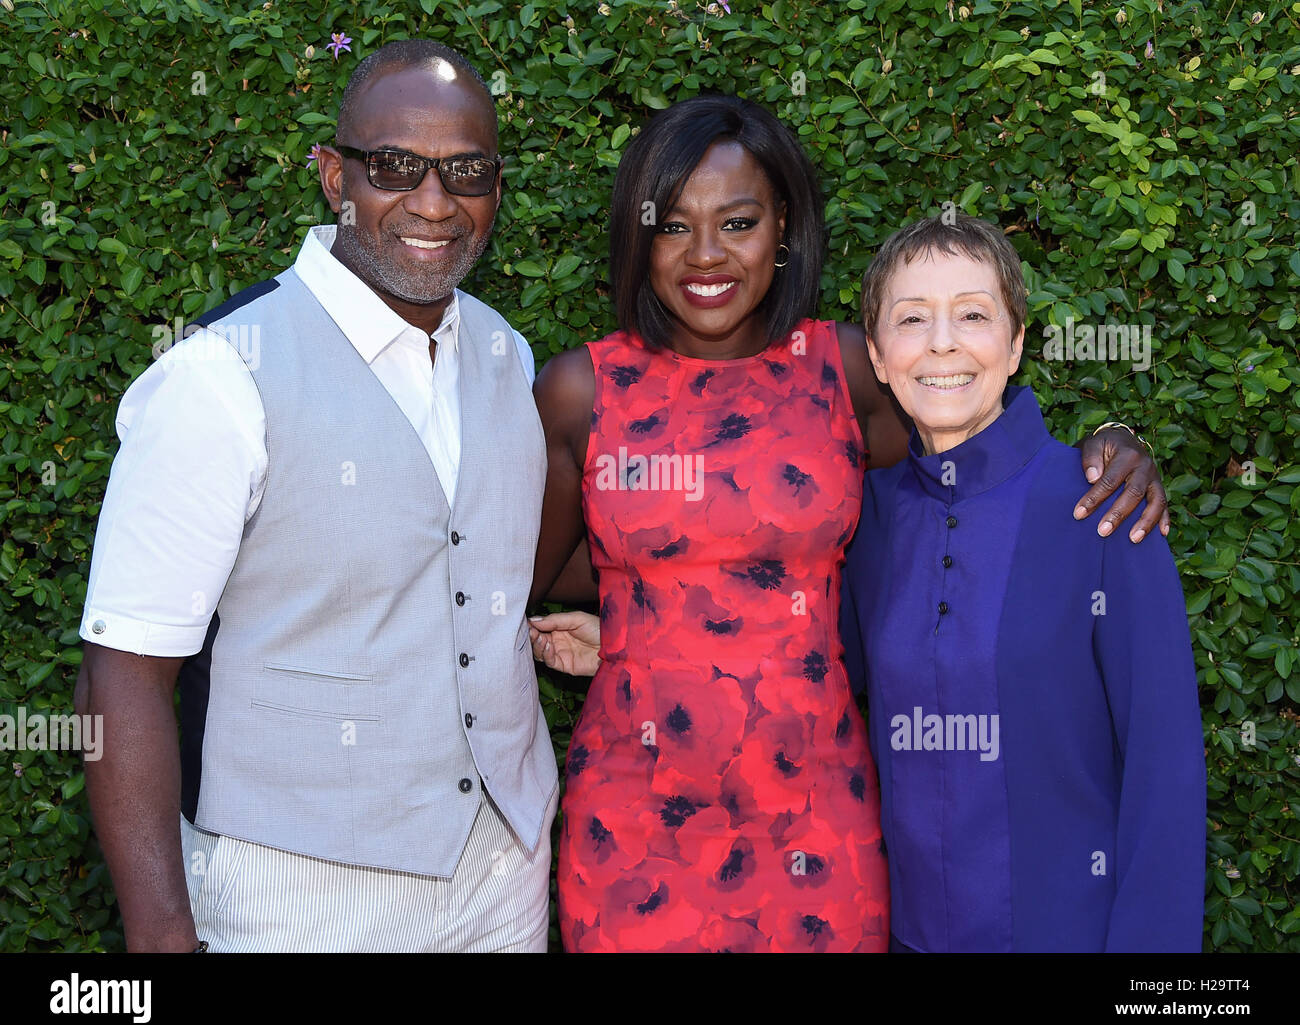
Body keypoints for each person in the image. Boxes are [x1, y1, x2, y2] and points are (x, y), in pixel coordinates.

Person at [528, 95, 1169, 953]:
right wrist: (650, 628)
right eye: (673, 226)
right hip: (636, 822)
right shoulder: (579, 391)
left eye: (740, 221)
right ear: (637, 236)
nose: (707, 254)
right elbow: (533, 571)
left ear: (784, 226)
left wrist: (1109, 443)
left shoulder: (845, 371)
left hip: (816, 821)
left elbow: (968, 441)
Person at [72, 41, 558, 952]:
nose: (432, 201)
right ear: (335, 175)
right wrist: (160, 932)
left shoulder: (508, 355)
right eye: (394, 167)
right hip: (291, 892)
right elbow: (120, 675)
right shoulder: (220, 378)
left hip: (504, 875)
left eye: (466, 171)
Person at [839, 214, 1205, 951]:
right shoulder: (866, 518)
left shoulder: (1103, 503)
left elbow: (1164, 777)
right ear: (878, 355)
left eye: (973, 314)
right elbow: (798, 672)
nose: (942, 341)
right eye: (912, 319)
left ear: (1015, 343)